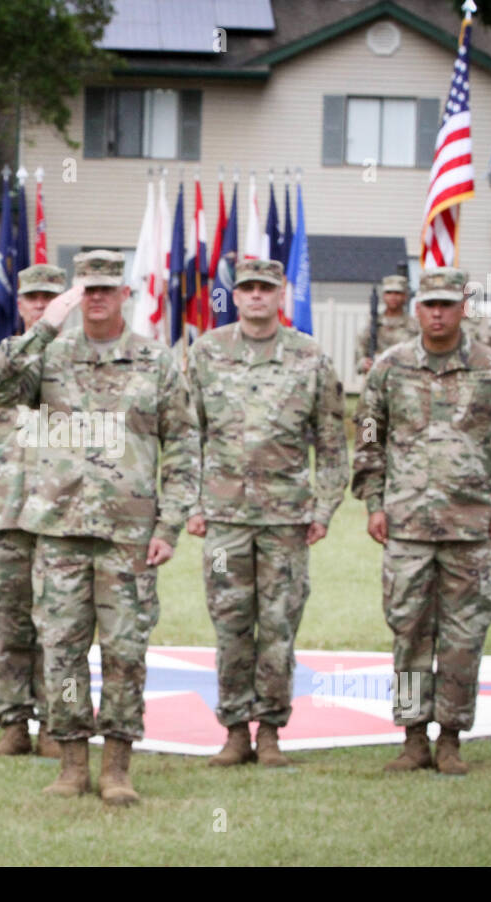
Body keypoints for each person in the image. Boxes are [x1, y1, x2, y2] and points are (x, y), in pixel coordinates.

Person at [0, 250, 199, 805]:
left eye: (106, 288)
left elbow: (185, 444)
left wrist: (169, 524)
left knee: (126, 650)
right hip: (59, 531)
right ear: (75, 296)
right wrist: (45, 327)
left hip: (129, 534)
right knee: (63, 650)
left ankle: (117, 765)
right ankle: (72, 762)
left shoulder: (157, 361)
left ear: (125, 293)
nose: (96, 298)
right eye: (87, 290)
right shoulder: (50, 355)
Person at [351, 267, 491, 776]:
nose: (437, 313)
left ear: (463, 308)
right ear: (416, 308)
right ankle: (413, 739)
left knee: (463, 635)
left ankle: (451, 738)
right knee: (410, 633)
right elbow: (369, 441)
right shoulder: (389, 369)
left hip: (471, 527)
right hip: (407, 526)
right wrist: (374, 503)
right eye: (429, 304)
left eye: (447, 305)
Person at [187, 259, 347, 767]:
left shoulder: (311, 357)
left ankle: (272, 730)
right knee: (231, 623)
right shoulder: (207, 353)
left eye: (266, 289)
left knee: (278, 626)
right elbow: (186, 434)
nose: (256, 296)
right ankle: (235, 730)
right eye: (248, 288)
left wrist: (324, 506)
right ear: (234, 297)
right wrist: (191, 503)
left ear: (281, 295)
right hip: (224, 518)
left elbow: (332, 442)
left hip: (287, 520)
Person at [0, 264, 67, 758]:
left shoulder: (78, 367)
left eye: (50, 299)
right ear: (20, 305)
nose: (41, 306)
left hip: (62, 517)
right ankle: (14, 722)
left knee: (61, 623)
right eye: (33, 299)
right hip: (4, 515)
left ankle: (56, 724)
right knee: (9, 623)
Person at [355, 275, 419, 374]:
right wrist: (364, 363)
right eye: (389, 293)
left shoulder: (414, 327)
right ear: (384, 296)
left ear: (405, 296)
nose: (393, 297)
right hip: (377, 380)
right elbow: (359, 355)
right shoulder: (373, 324)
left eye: (397, 293)